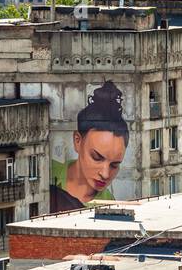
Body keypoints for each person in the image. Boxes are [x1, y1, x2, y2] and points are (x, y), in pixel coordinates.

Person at [50, 81, 129, 213]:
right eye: (97, 157)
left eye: (114, 165)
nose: (105, 174)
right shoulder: (46, 173)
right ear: (77, 141)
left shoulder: (109, 207)